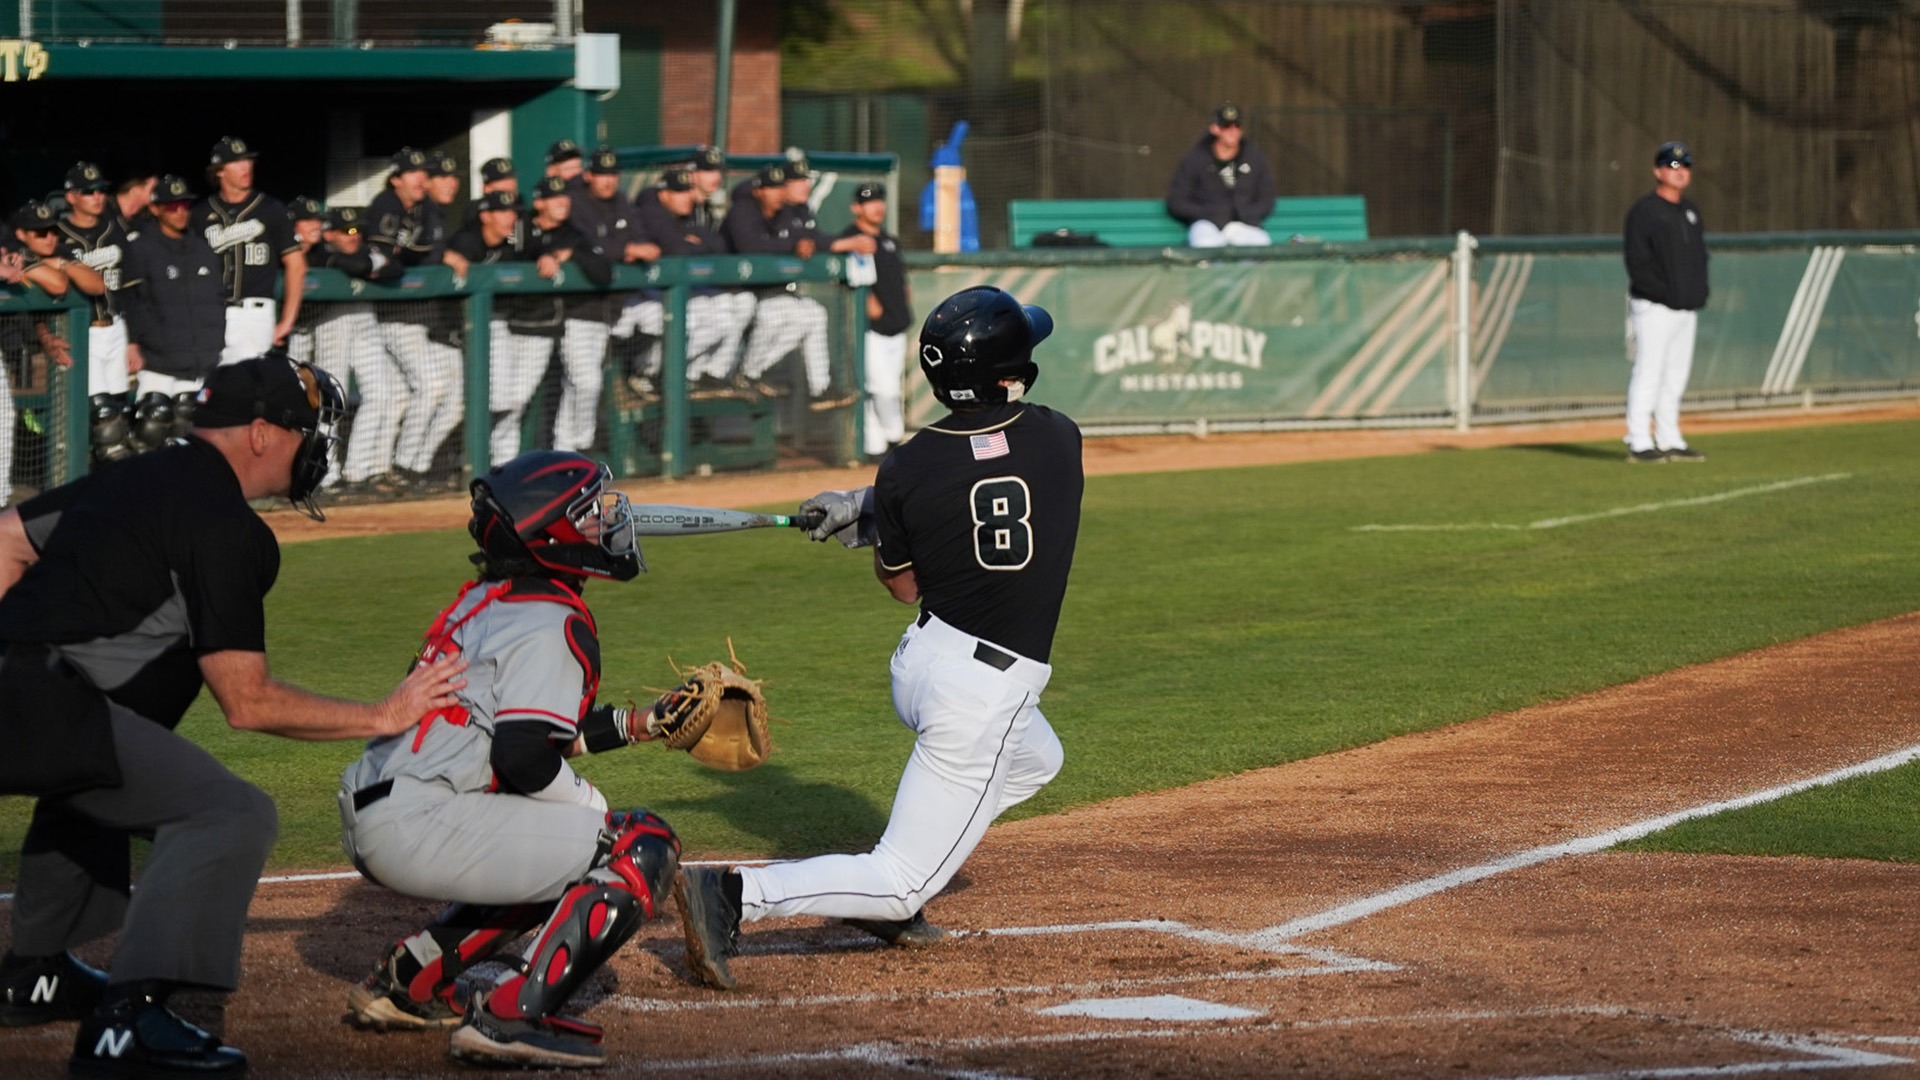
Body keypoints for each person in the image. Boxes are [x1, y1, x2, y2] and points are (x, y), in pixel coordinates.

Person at [0, 353, 469, 1079]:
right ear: (260, 433)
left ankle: (33, 975)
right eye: (306, 428)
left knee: (103, 771)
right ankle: (136, 1021)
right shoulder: (224, 522)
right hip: (41, 705)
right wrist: (384, 713)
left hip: (29, 696)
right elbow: (246, 703)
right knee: (230, 814)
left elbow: (6, 536)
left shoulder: (137, 473)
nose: (314, 443)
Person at [673, 285, 1080, 990]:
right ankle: (737, 895)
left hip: (923, 661)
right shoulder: (1057, 436)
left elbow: (902, 583)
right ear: (1011, 377)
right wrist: (875, 513)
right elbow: (994, 469)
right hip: (982, 693)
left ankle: (898, 860)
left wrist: (869, 514)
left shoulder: (907, 465)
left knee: (1038, 760)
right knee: (900, 883)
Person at [338, 449, 684, 1069]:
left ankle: (413, 981)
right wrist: (597, 819)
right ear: (548, 532)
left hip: (390, 801)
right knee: (634, 845)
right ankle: (508, 1018)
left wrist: (642, 723)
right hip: (420, 819)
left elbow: (529, 735)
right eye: (588, 514)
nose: (606, 522)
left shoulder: (492, 600)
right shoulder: (550, 617)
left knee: (568, 844)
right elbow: (523, 757)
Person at [371, 147, 465, 485]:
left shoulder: (426, 213)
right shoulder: (388, 205)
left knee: (403, 397)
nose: (424, 179)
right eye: (420, 174)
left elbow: (416, 255)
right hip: (394, 315)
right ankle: (401, 465)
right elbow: (381, 252)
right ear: (397, 178)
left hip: (423, 320)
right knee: (427, 388)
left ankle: (398, 468)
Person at [722, 164, 851, 409]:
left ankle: (819, 387)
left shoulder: (794, 211)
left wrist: (832, 243)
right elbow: (751, 246)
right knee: (772, 315)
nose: (779, 192)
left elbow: (812, 240)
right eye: (795, 181)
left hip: (771, 292)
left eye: (782, 186)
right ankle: (744, 371)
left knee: (814, 314)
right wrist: (794, 245)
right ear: (759, 190)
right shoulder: (746, 208)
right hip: (734, 292)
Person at [304, 205, 413, 491]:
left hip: (363, 317)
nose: (354, 236)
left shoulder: (361, 249)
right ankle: (326, 473)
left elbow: (395, 267)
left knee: (381, 393)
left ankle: (358, 471)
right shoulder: (319, 253)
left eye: (357, 231)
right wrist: (369, 267)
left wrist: (372, 266)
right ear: (329, 234)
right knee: (331, 400)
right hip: (331, 322)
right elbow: (360, 266)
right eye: (346, 231)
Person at [9, 199, 107, 504]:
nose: (50, 238)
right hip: (16, 352)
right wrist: (39, 267)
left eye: (52, 231)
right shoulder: (10, 252)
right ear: (21, 234)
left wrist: (61, 263)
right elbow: (55, 286)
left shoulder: (59, 253)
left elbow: (96, 284)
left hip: (41, 351)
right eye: (40, 233)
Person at [1623, 140, 1709, 463]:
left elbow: (1699, 258)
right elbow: (1637, 262)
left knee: (1676, 375)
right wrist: (1663, 293)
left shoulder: (1689, 211)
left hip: (1686, 306)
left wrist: (1697, 292)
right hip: (1654, 306)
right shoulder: (1645, 212)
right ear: (1657, 171)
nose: (1680, 171)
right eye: (1673, 166)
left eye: (1685, 166)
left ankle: (1669, 437)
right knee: (1649, 370)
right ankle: (1639, 440)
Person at [117, 175, 226, 420]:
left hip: (198, 362)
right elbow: (131, 301)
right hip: (157, 362)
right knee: (152, 425)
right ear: (155, 208)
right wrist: (132, 343)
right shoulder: (140, 248)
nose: (180, 212)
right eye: (172, 206)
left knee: (189, 425)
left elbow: (217, 302)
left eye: (185, 205)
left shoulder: (203, 249)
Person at [194, 135, 306, 360]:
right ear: (219, 171)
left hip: (254, 314)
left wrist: (286, 321)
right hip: (210, 312)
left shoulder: (272, 209)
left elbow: (297, 266)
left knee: (250, 388)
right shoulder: (199, 214)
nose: (246, 167)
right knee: (208, 388)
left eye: (248, 160)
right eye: (236, 162)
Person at [55, 161, 135, 408]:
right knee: (100, 411)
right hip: (81, 331)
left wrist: (135, 339)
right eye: (88, 191)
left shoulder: (117, 228)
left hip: (117, 326)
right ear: (71, 197)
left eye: (100, 190)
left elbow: (133, 289)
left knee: (120, 406)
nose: (97, 196)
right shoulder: (56, 235)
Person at [840, 182, 910, 460]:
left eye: (880, 200)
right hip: (869, 331)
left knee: (885, 389)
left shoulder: (889, 240)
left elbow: (902, 282)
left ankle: (875, 447)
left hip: (897, 326)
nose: (877, 206)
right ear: (856, 207)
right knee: (883, 389)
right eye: (869, 201)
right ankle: (894, 439)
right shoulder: (851, 238)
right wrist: (868, 302)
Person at [1166, 103, 1276, 248]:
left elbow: (1266, 198)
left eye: (1237, 126)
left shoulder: (1254, 158)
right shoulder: (1195, 159)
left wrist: (1246, 214)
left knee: (1261, 243)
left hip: (1243, 224)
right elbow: (1177, 202)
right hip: (1207, 224)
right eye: (1226, 126)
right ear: (1215, 129)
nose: (1232, 131)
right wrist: (1210, 213)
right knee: (1205, 245)